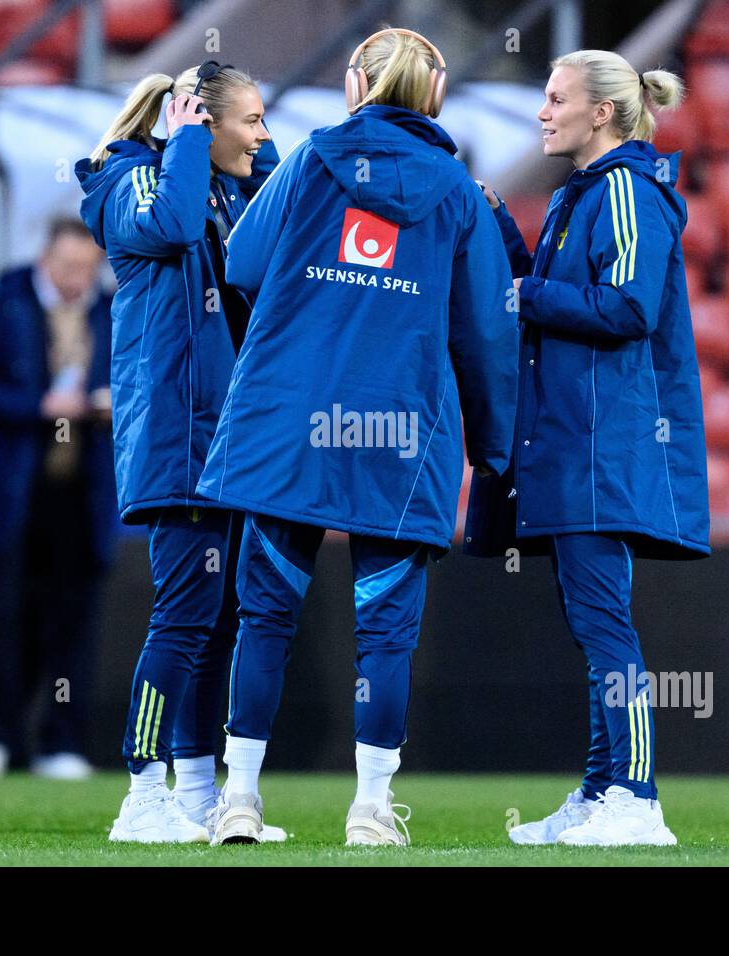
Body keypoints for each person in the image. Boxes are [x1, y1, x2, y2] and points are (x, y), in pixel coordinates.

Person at [195, 28, 518, 846]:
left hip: (290, 424)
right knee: (386, 632)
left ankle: (238, 798)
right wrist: (494, 446)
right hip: (400, 435)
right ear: (433, 96)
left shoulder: (306, 161)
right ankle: (372, 808)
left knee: (264, 617)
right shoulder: (457, 189)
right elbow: (484, 330)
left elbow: (240, 262)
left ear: (355, 85)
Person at [465, 50, 710, 846]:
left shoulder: (630, 189)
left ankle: (637, 799)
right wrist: (503, 231)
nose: (542, 112)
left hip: (604, 445)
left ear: (601, 112)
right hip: (574, 443)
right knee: (590, 617)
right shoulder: (585, 195)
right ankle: (603, 788)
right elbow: (559, 293)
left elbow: (629, 307)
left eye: (554, 97)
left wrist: (524, 292)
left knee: (604, 623)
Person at [76, 61, 289, 843]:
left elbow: (281, 208)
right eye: (255, 120)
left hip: (232, 436)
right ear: (199, 123)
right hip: (175, 431)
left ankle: (197, 794)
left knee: (221, 620)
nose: (264, 136)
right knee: (183, 617)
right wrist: (191, 132)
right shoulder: (124, 180)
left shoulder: (227, 189)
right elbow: (166, 226)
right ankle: (141, 790)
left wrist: (234, 143)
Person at [0, 218, 118, 781]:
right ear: (46, 258)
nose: (77, 279)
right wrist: (37, 407)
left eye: (87, 268)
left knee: (72, 623)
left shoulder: (112, 309)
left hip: (80, 494)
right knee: (1, 622)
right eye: (67, 266)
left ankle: (62, 743)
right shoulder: (3, 299)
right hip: (10, 494)